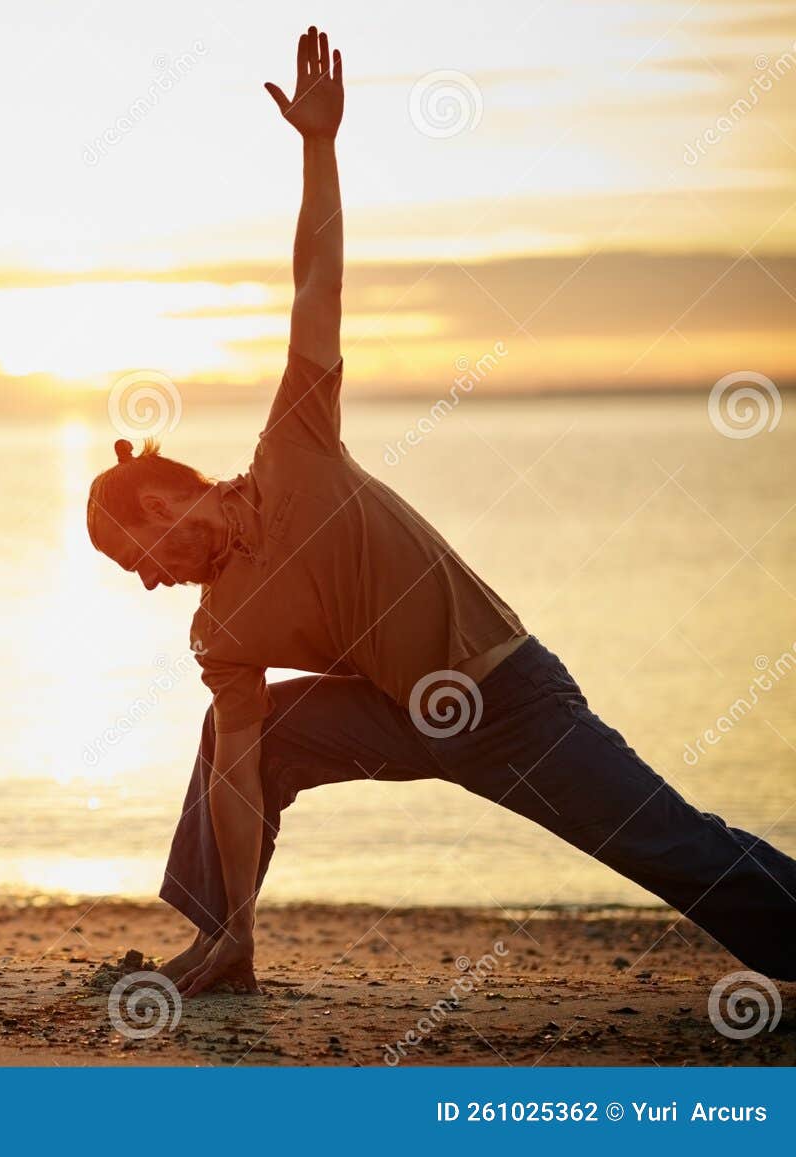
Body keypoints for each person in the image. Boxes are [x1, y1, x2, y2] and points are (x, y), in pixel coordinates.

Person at [85, 26, 796, 996]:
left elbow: (314, 283)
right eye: (133, 576)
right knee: (238, 742)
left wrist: (318, 146)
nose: (149, 578)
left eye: (141, 551)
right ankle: (224, 942)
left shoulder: (291, 450)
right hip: (397, 715)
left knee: (667, 843)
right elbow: (240, 776)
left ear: (168, 493)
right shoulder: (220, 631)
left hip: (507, 699)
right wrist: (245, 921)